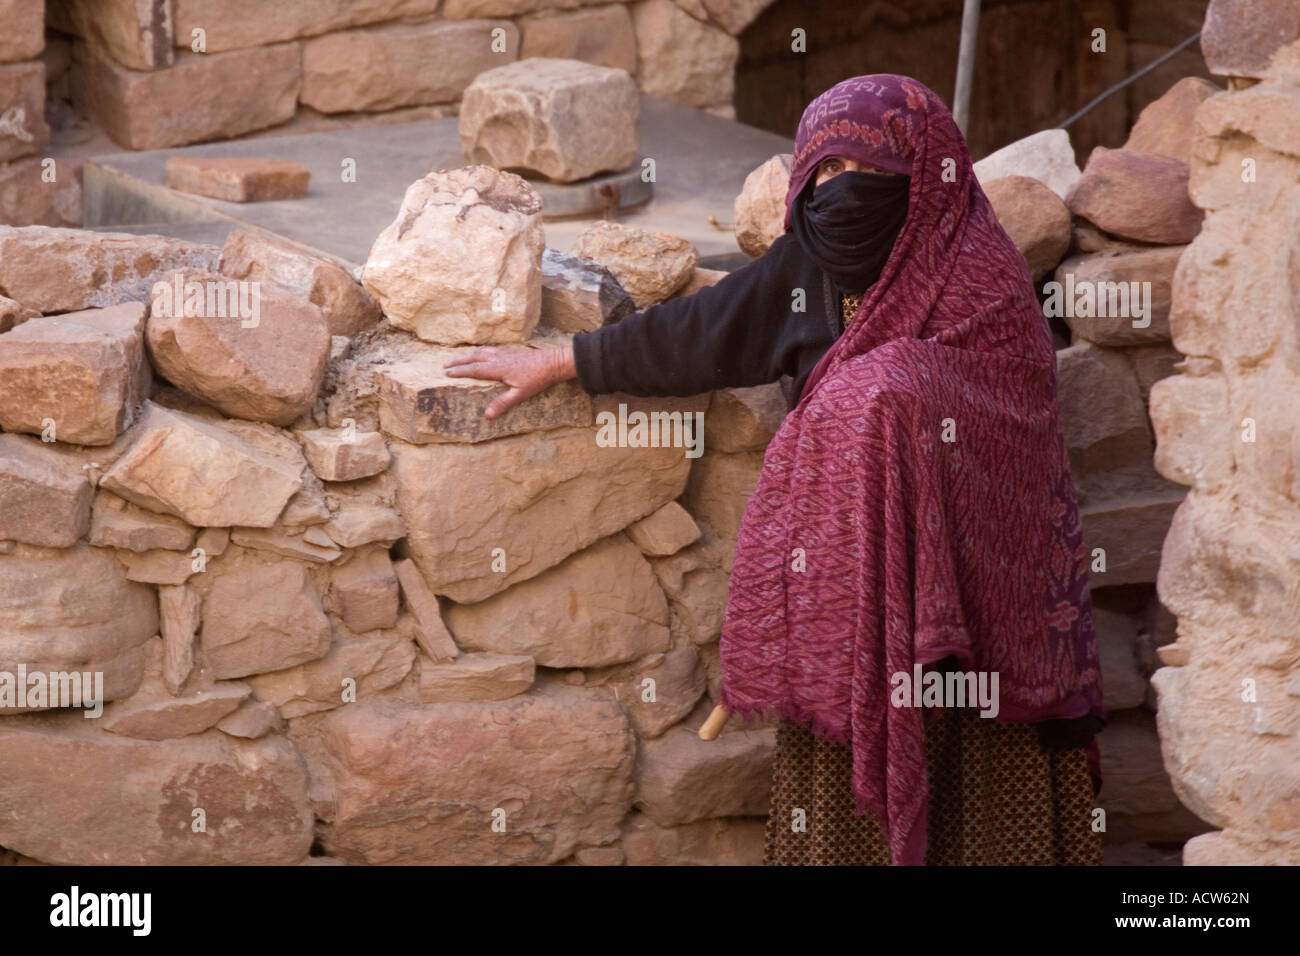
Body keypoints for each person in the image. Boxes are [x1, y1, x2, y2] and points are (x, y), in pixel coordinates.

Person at [445, 74, 1105, 867]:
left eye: (871, 173)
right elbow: (699, 332)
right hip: (853, 616)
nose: (846, 192)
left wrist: (890, 397)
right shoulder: (808, 269)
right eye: (827, 172)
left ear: (928, 177)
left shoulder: (982, 278)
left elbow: (1014, 430)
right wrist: (563, 361)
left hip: (979, 623)